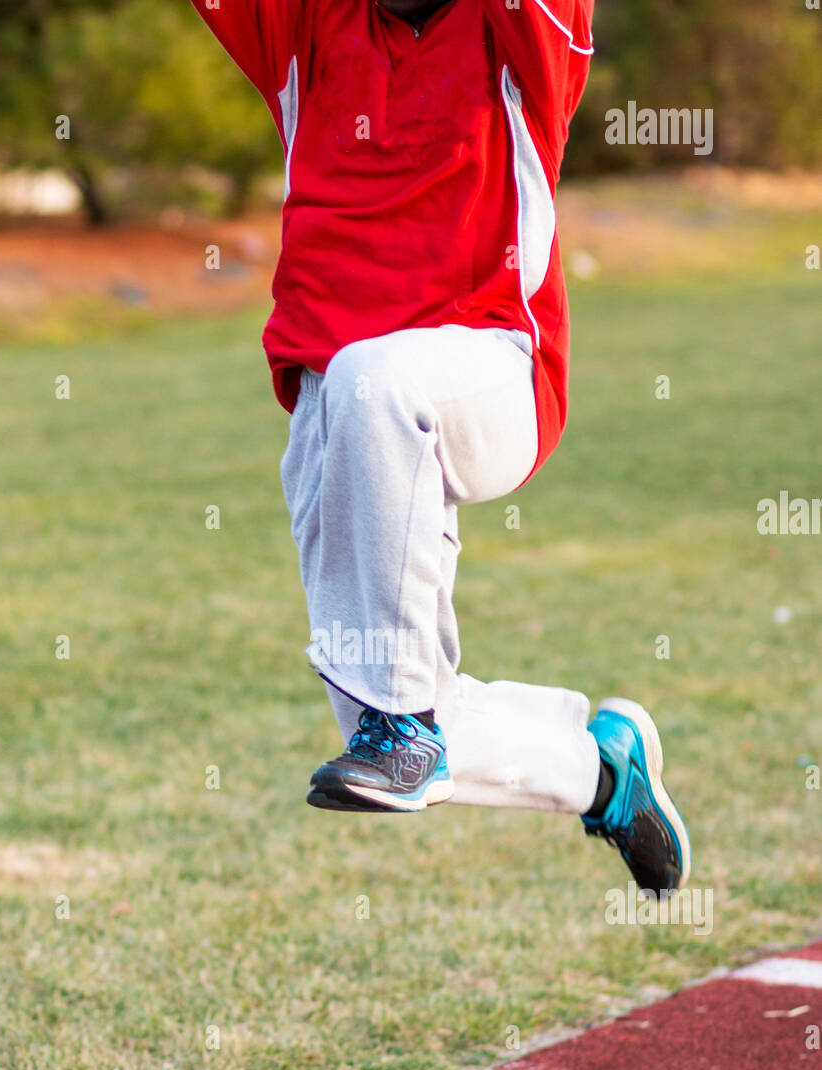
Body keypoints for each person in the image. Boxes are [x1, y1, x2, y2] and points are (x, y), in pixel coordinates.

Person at [190, 0, 691, 893]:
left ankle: (406, 730)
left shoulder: (517, 30)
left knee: (375, 382)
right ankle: (605, 775)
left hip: (494, 371)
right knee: (397, 708)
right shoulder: (307, 25)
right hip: (337, 410)